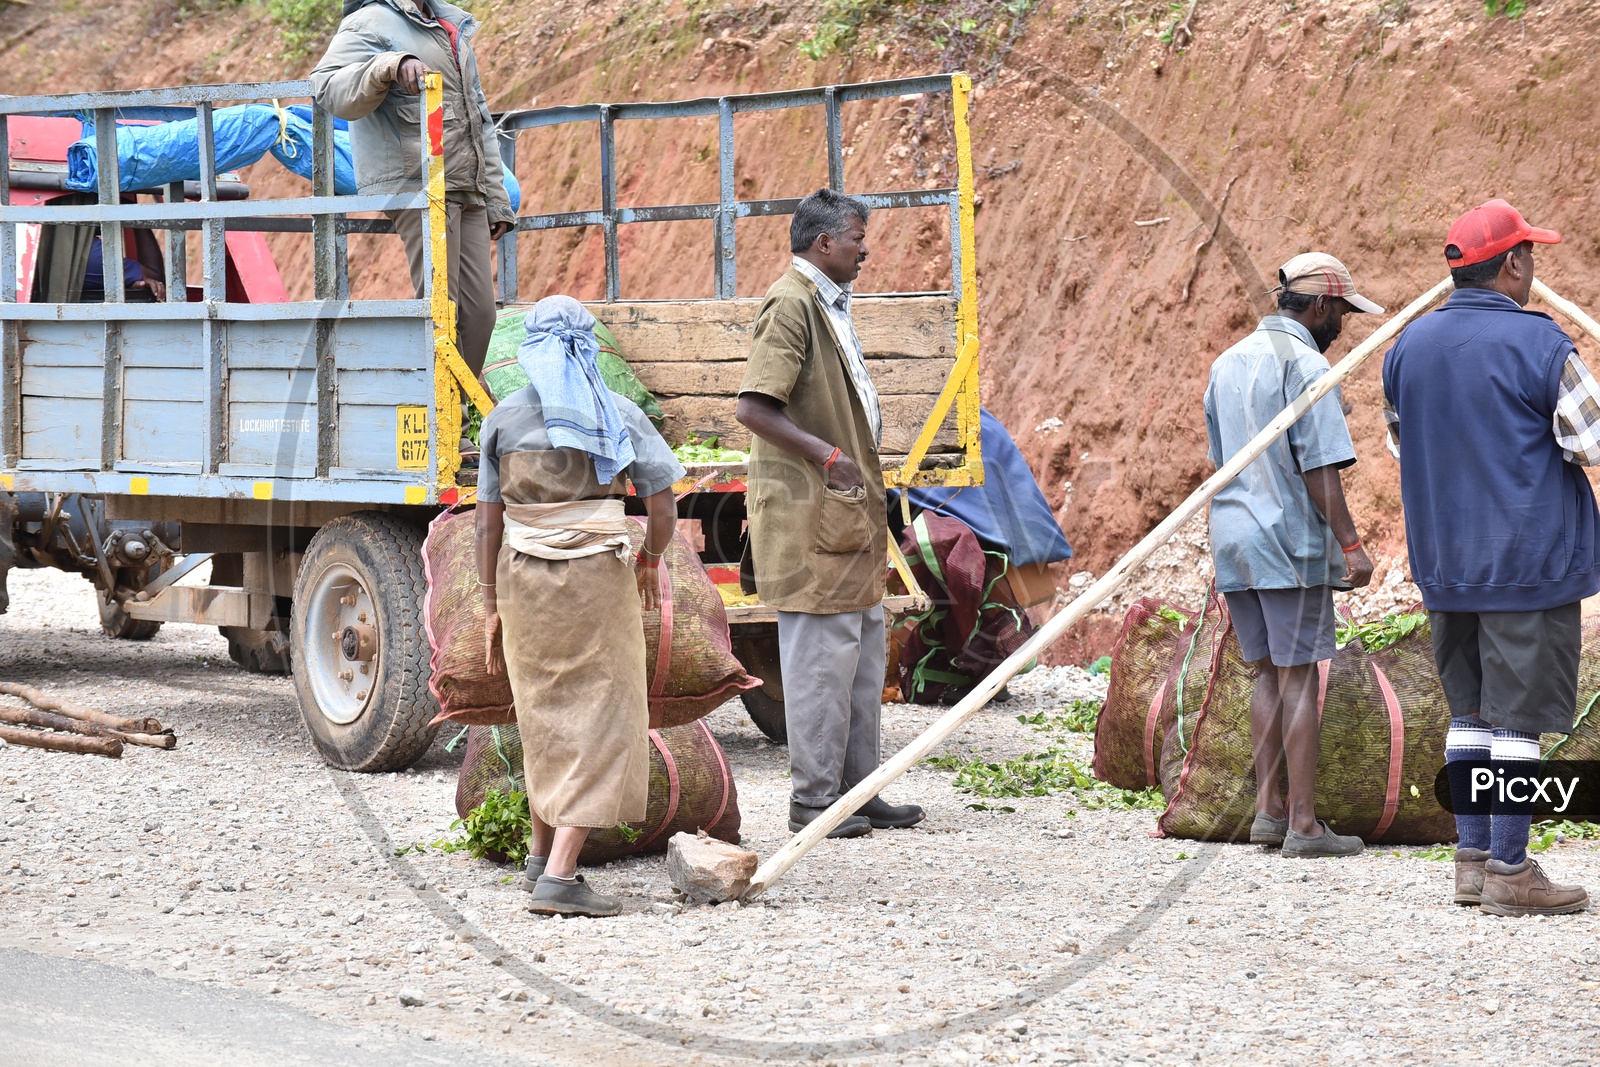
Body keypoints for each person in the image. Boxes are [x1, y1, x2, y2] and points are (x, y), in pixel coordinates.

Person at [1383, 199, 1596, 916]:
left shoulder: (1406, 349)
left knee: (1468, 711)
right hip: (1527, 563)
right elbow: (1592, 440)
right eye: (1530, 254)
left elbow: (1401, 443)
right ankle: (1511, 866)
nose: (1533, 266)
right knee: (1518, 720)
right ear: (1512, 263)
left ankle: (1471, 861)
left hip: (1447, 564)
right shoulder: (1542, 347)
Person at [477, 295, 684, 918]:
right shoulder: (616, 414)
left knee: (542, 712)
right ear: (588, 347)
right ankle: (561, 877)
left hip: (522, 577)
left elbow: (487, 524)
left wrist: (490, 601)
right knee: (605, 715)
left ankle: (542, 857)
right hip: (596, 576)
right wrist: (650, 561)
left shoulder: (502, 418)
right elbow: (664, 505)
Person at [736, 188, 923, 839]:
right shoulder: (790, 306)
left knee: (864, 657)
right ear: (823, 244)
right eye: (855, 238)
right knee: (821, 665)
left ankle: (858, 791)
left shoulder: (828, 305)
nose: (864, 249)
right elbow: (754, 406)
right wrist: (829, 457)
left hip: (847, 519)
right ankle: (813, 803)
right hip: (814, 520)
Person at [1203, 252, 1380, 858]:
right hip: (1288, 546)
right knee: (1299, 675)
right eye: (1343, 315)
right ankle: (1304, 825)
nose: (1343, 328)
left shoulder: (1227, 363)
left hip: (1235, 539)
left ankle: (1266, 812)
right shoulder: (1306, 366)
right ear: (1323, 305)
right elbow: (1319, 469)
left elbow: (1222, 455)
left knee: (1267, 673)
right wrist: (1351, 546)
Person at [311, 0, 515, 378]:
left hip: (466, 185)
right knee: (441, 311)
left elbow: (479, 117)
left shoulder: (447, 23)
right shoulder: (371, 21)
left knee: (480, 315)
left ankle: (448, 420)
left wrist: (496, 198)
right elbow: (327, 87)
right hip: (419, 183)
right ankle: (440, 429)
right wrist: (388, 65)